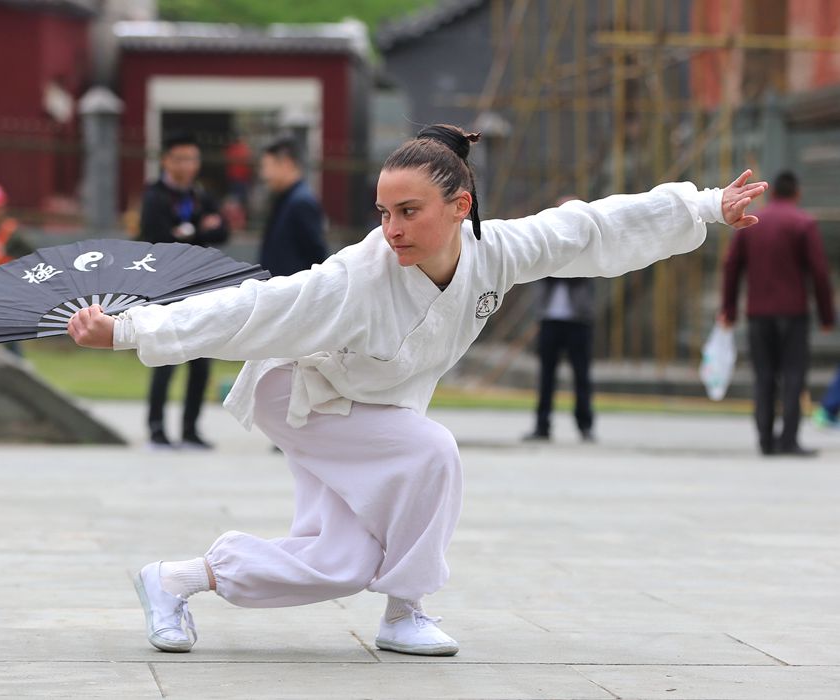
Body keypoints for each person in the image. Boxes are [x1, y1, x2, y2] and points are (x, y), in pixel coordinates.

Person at [68, 124, 766, 657]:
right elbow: (252, 310)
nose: (393, 229)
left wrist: (705, 207)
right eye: (383, 213)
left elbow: (586, 228)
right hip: (304, 395)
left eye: (409, 211)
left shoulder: (497, 251)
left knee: (342, 560)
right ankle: (406, 610)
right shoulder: (354, 279)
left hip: (373, 405)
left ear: (460, 205)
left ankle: (172, 580)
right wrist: (128, 332)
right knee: (432, 452)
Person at [719, 170, 834, 457]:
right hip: (793, 312)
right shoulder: (803, 223)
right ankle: (789, 439)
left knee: (764, 375)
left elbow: (731, 266)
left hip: (758, 313)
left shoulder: (753, 224)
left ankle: (765, 439)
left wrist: (729, 309)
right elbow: (819, 273)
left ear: (771, 193)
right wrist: (827, 315)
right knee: (794, 375)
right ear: (796, 193)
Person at [138, 132, 228, 449]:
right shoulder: (154, 196)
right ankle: (156, 428)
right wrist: (200, 229)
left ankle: (190, 429)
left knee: (200, 358)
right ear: (166, 160)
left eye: (193, 158)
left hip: (199, 286)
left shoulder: (201, 195)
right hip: (165, 288)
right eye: (181, 158)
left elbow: (222, 231)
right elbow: (157, 237)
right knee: (165, 355)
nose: (188, 165)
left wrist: (191, 230)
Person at [522, 197, 596, 442]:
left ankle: (585, 425)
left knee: (581, 375)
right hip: (550, 319)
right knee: (545, 375)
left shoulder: (588, 241)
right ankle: (542, 425)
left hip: (578, 320)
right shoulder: (548, 241)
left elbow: (583, 272)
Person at [258, 136, 328, 278]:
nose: (264, 174)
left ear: (286, 164)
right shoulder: (286, 198)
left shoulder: (301, 203)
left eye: (267, 167)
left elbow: (316, 257)